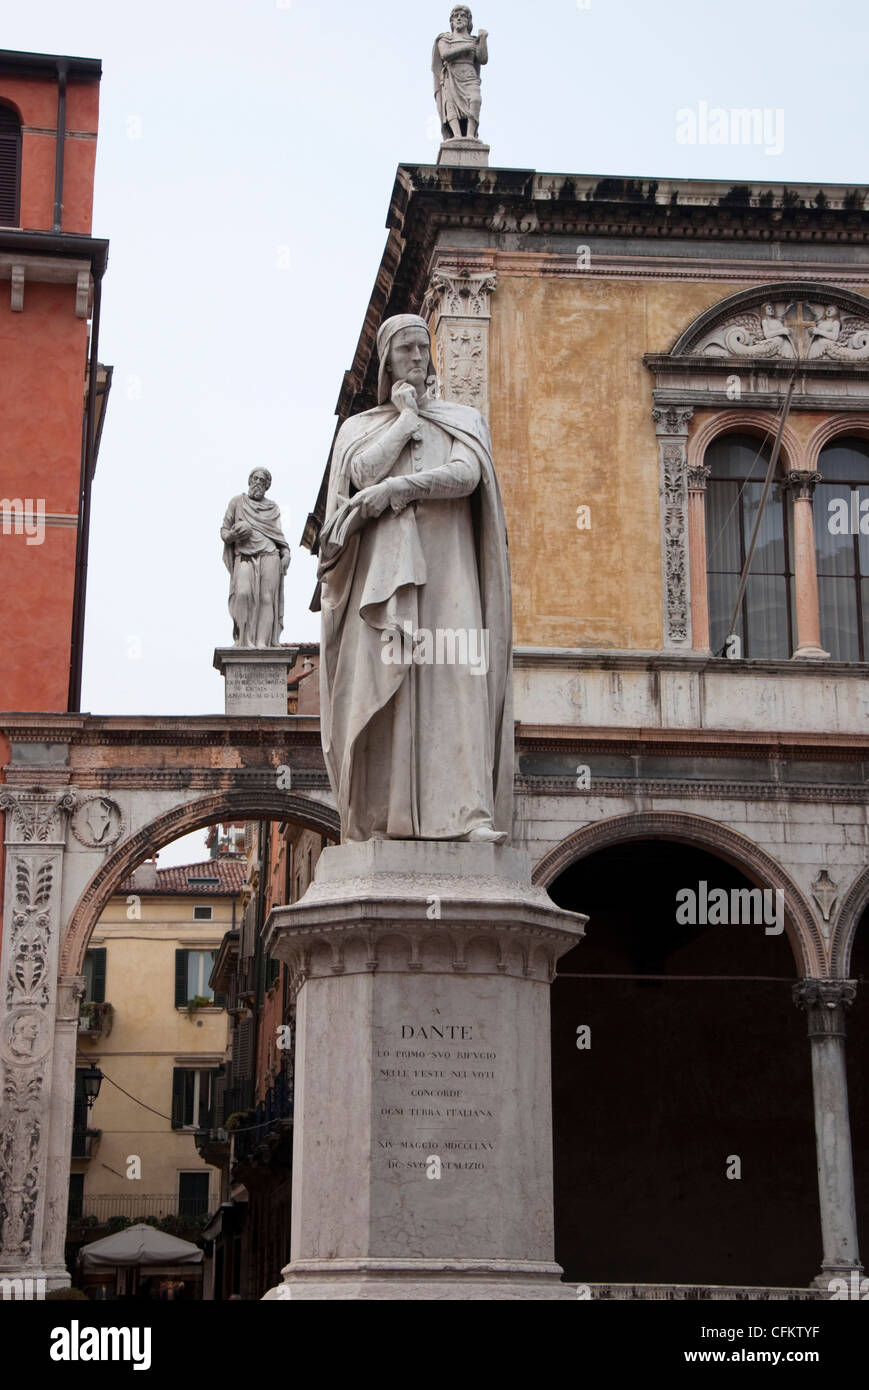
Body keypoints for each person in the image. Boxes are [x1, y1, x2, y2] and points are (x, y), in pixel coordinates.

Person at [317, 313, 513, 844]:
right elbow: (360, 475)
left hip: (449, 573)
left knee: (456, 685)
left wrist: (397, 490)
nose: (418, 358)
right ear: (387, 363)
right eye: (406, 350)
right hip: (384, 577)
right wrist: (403, 422)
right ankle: (384, 817)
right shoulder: (360, 429)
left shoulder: (462, 419)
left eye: (423, 349)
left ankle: (468, 815)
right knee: (391, 686)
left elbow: (466, 476)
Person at [221, 469, 290, 648]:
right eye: (255, 478)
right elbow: (224, 531)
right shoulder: (237, 502)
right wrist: (233, 535)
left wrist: (286, 553)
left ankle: (262, 642)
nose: (258, 482)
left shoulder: (273, 508)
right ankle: (244, 640)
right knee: (243, 593)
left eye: (263, 480)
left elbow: (278, 535)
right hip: (243, 555)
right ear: (250, 480)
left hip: (270, 554)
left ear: (267, 486)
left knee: (267, 598)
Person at [432, 7, 488, 141]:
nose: (458, 18)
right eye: (455, 16)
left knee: (475, 100)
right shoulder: (445, 38)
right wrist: (467, 47)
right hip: (451, 76)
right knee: (451, 105)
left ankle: (470, 135)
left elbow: (483, 59)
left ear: (468, 21)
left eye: (463, 16)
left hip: (469, 75)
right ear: (451, 22)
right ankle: (456, 135)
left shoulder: (474, 40)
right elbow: (445, 54)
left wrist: (483, 39)